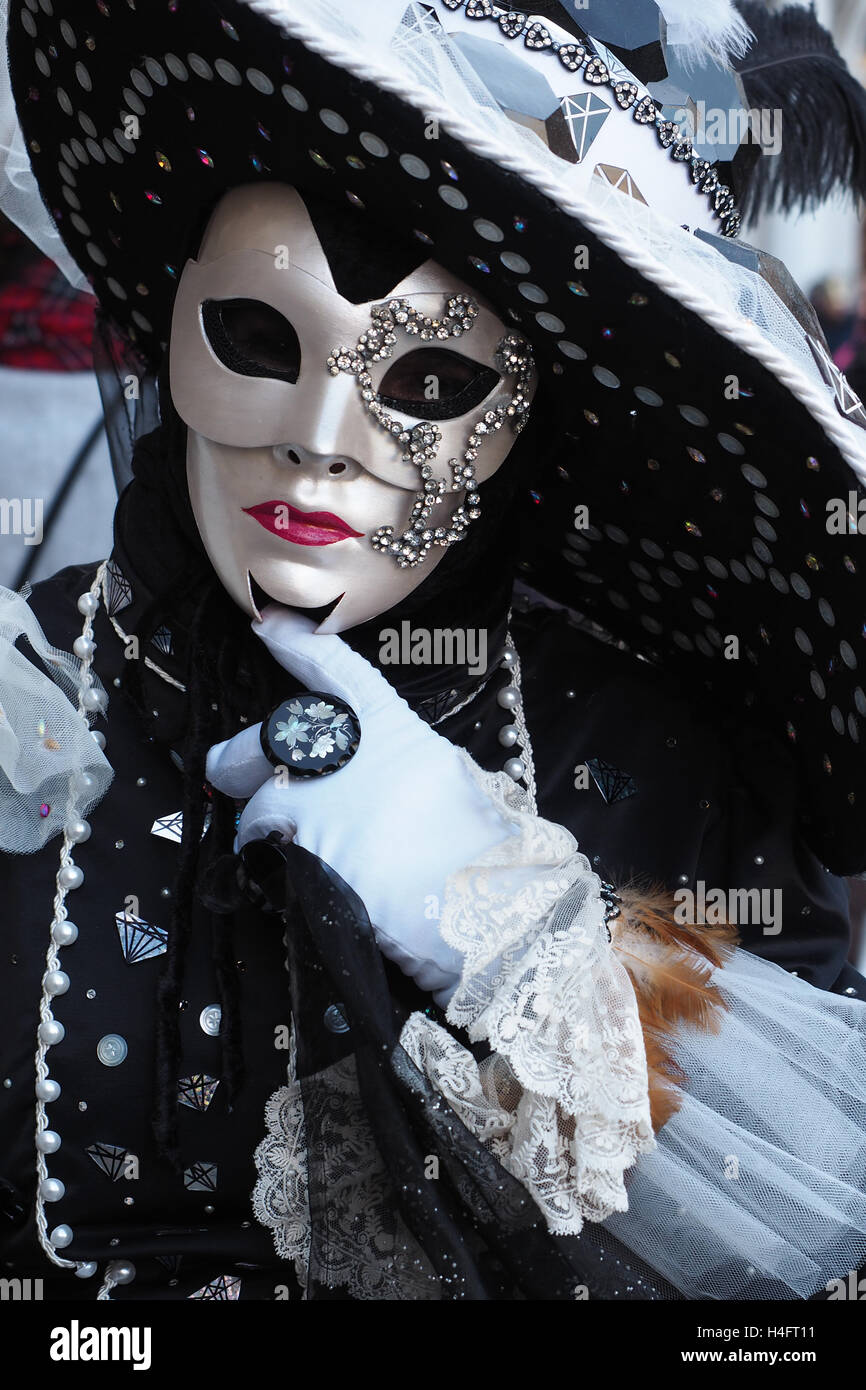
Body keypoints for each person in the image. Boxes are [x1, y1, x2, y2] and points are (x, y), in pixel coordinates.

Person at [1, 0, 866, 1303]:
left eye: (425, 382)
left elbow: (807, 1221)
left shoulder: (644, 754)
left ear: (521, 426)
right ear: (173, 321)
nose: (322, 436)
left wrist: (516, 928)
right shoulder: (26, 700)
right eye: (258, 336)